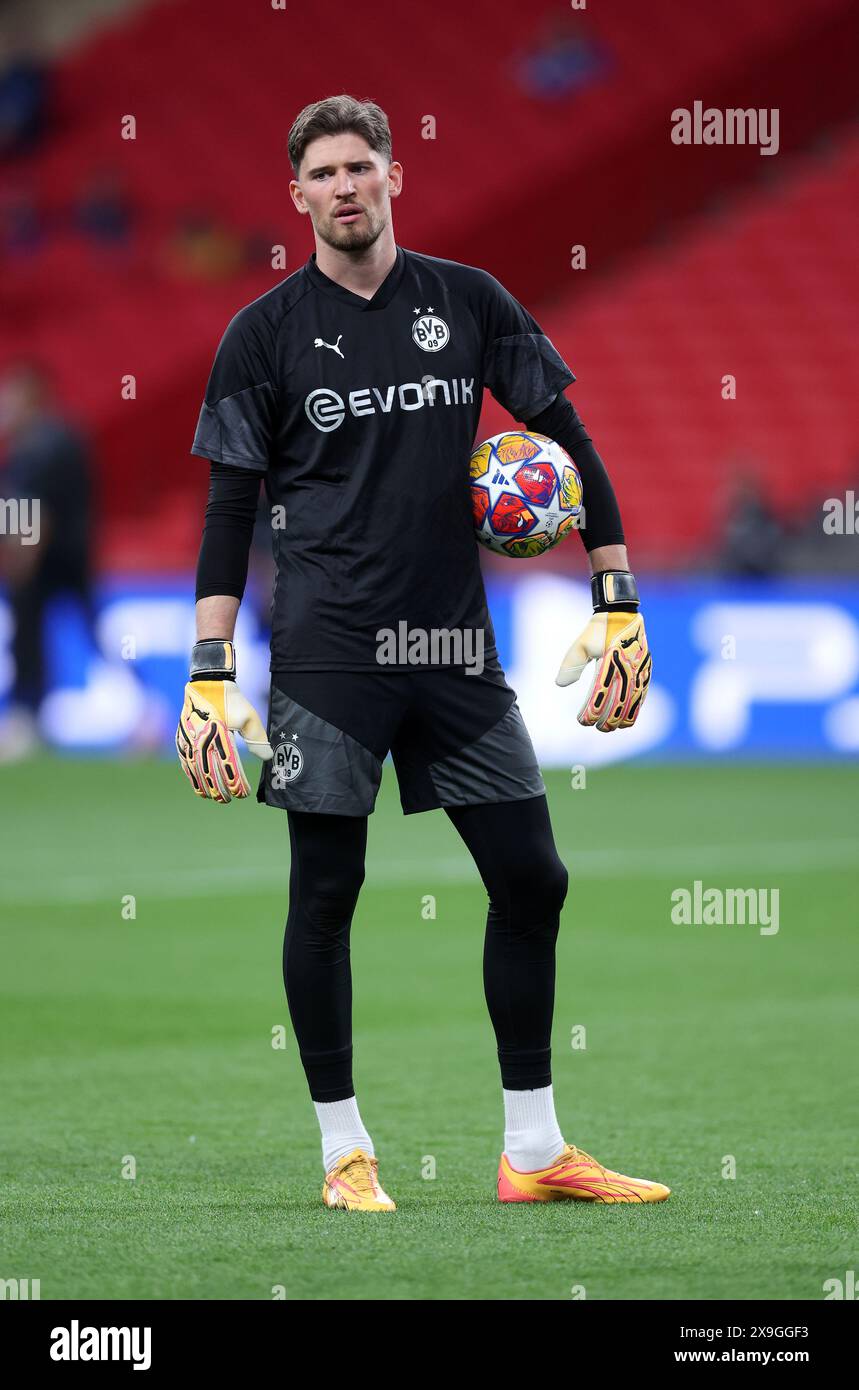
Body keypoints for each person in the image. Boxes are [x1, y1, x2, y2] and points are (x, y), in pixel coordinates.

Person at [176, 95, 661, 1211]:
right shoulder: (260, 335)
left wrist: (617, 592)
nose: (345, 187)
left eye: (362, 167)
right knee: (326, 890)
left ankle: (532, 1153)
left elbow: (569, 444)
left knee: (534, 877)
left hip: (454, 647)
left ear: (396, 176)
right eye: (324, 174)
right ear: (294, 196)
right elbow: (227, 512)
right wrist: (208, 668)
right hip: (325, 652)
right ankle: (345, 1152)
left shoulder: (470, 301)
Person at [0, 360, 91, 757]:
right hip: (68, 559)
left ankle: (27, 715)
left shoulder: (44, 444)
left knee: (39, 634)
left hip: (54, 561)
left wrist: (20, 558)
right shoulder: (34, 444)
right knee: (90, 631)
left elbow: (36, 511)